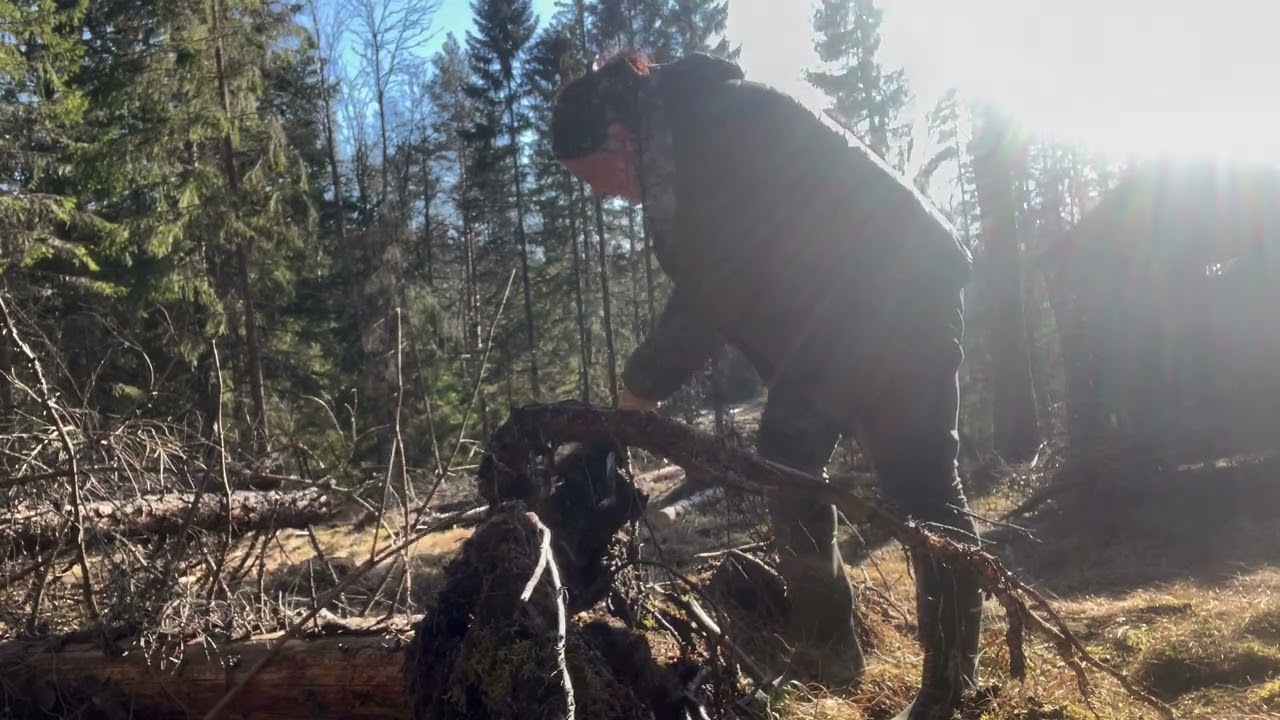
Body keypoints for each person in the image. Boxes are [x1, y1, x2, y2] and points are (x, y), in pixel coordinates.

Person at [550, 50, 983, 720]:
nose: (600, 195)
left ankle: (951, 689)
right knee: (787, 471)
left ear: (616, 138)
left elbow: (719, 286)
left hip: (902, 296)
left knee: (921, 491)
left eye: (591, 178)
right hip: (842, 319)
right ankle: (827, 654)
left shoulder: (719, 126)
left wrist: (642, 385)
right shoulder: (681, 146)